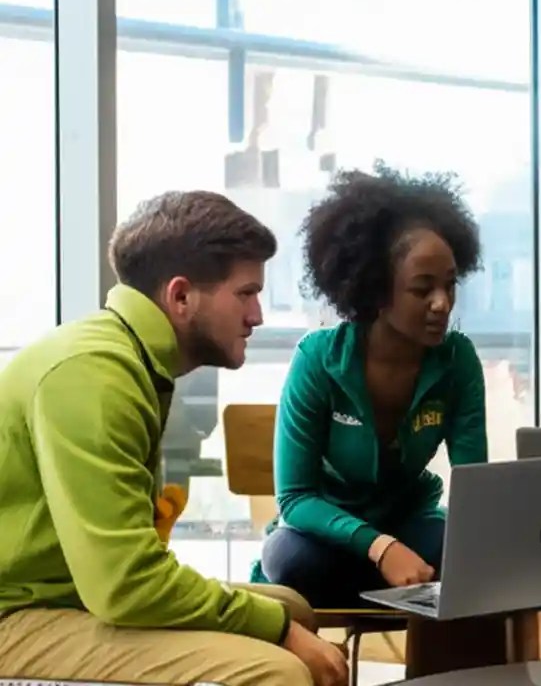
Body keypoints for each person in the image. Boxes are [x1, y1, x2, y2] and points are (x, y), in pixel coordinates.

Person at [0, 192, 347, 686]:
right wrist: (277, 631)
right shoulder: (95, 375)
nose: (257, 316)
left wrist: (282, 622)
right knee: (277, 670)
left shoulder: (129, 359)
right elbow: (124, 585)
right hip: (15, 614)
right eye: (245, 293)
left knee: (292, 607)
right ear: (180, 297)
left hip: (68, 594)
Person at [254, 165, 488, 608]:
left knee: (471, 556)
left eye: (449, 285)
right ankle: (393, 586)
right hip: (323, 534)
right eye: (423, 289)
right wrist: (380, 548)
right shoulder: (319, 360)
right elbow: (296, 498)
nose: (442, 303)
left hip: (412, 525)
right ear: (376, 289)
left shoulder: (457, 361)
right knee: (291, 564)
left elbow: (475, 484)